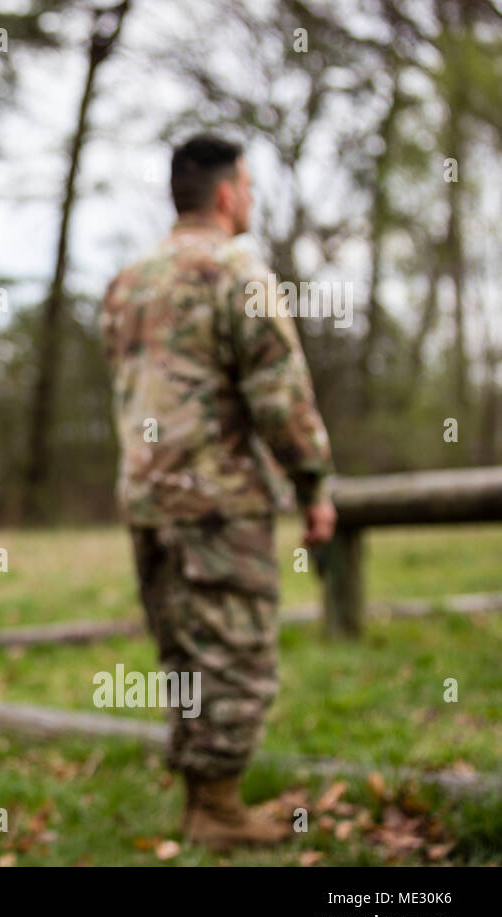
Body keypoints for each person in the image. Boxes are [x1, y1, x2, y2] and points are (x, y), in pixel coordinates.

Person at [99, 135, 337, 850]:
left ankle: (205, 794)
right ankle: (219, 805)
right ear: (229, 194)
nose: (252, 201)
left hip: (146, 497)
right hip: (219, 500)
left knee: (182, 654)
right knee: (235, 654)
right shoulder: (240, 271)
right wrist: (313, 481)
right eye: (251, 189)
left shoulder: (128, 280)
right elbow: (279, 391)